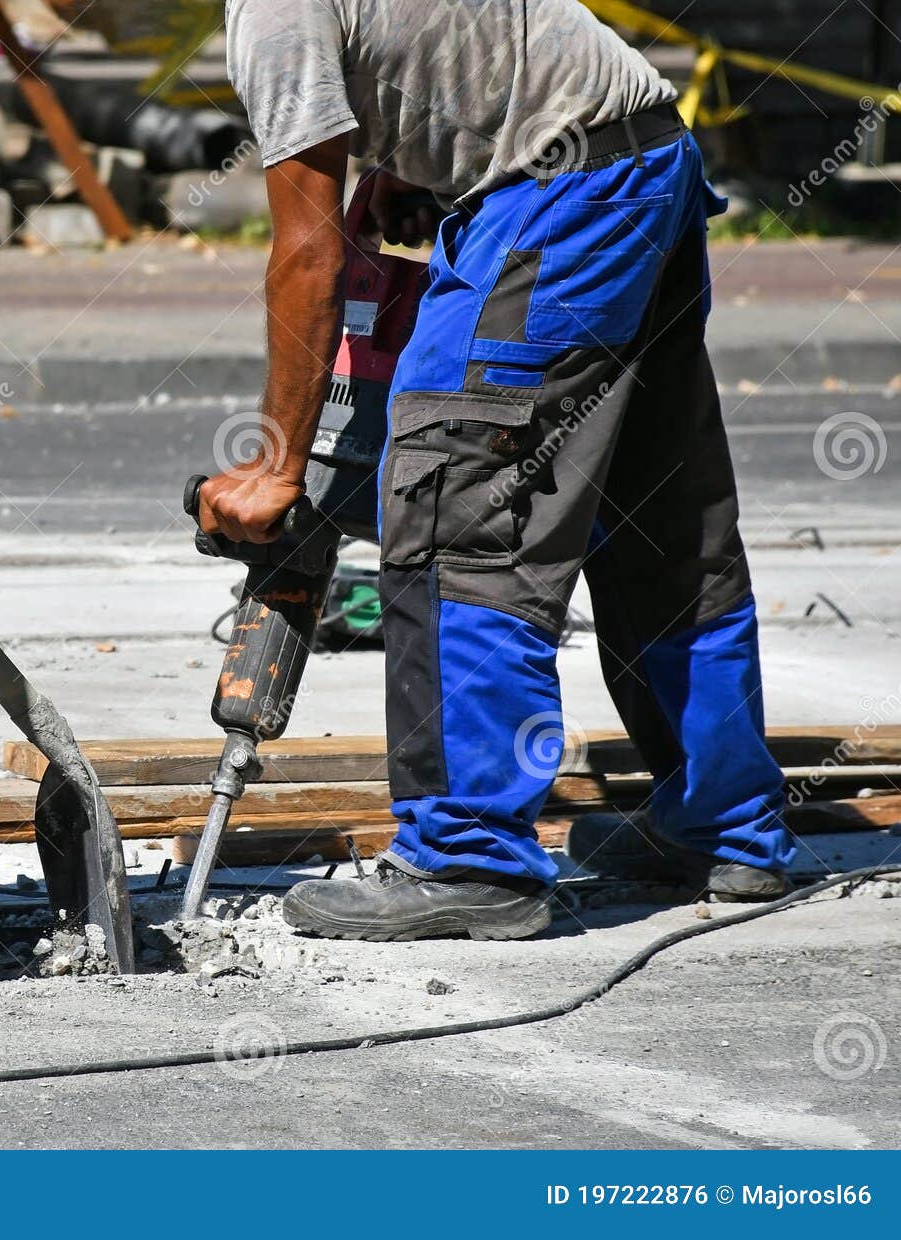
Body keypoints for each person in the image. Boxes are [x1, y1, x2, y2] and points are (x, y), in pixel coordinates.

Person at [197, 0, 792, 942]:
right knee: (658, 519)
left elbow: (307, 251)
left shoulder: (273, 15)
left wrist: (275, 470)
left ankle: (468, 857)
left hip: (555, 197)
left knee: (452, 509)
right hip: (641, 156)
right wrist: (406, 159)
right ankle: (726, 827)